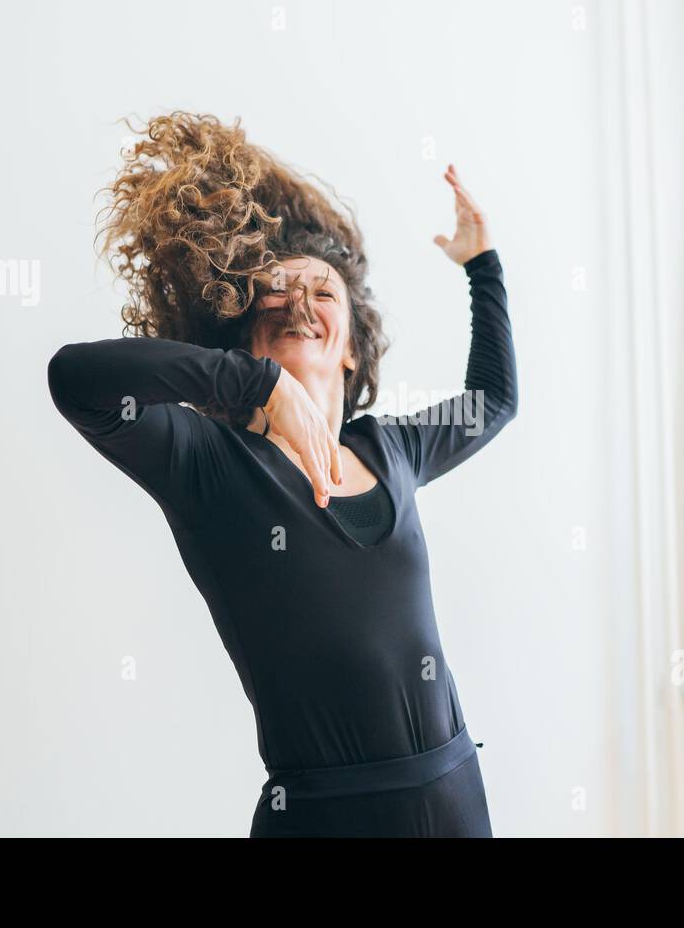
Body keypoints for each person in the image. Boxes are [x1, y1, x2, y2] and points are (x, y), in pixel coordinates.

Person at [47, 112, 518, 837]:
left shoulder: (391, 448)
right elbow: (74, 379)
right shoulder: (205, 462)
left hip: (458, 800)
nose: (299, 301)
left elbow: (494, 400)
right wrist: (252, 387)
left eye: (322, 293)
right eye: (276, 293)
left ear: (354, 349)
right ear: (244, 337)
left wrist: (482, 264)